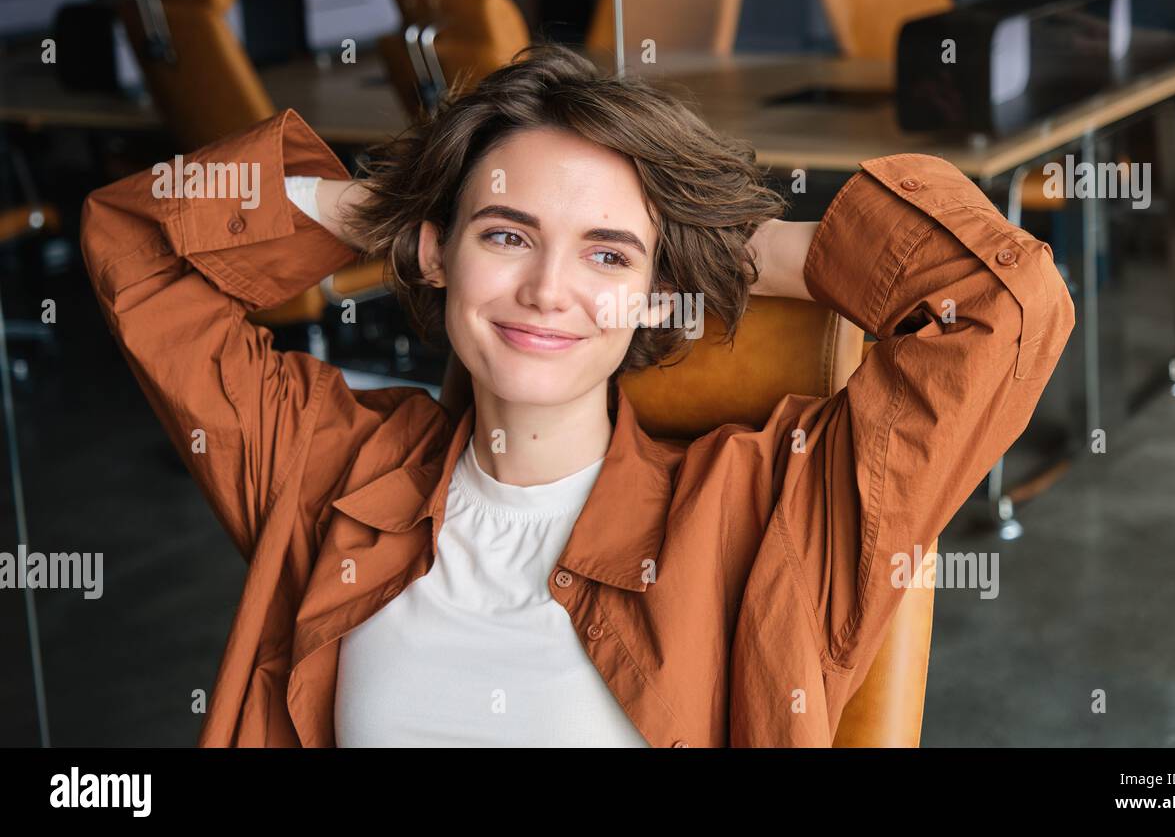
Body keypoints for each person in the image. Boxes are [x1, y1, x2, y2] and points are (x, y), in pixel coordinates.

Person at [80, 42, 1074, 746]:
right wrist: (381, 210)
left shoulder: (762, 511)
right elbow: (138, 240)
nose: (548, 288)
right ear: (438, 252)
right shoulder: (329, 470)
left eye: (606, 251)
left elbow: (1000, 300)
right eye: (506, 233)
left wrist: (731, 252)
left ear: (653, 291)